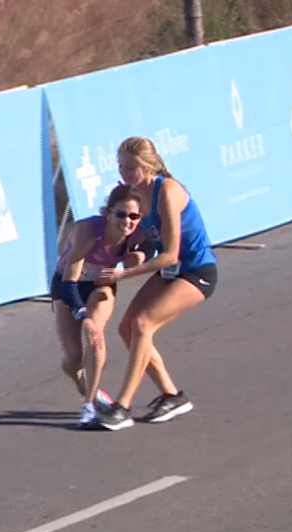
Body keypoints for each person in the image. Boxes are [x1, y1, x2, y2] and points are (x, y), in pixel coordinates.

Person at [92, 136, 218, 430]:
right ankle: (172, 395)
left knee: (143, 324)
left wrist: (124, 275)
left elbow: (171, 252)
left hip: (197, 271)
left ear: (147, 164)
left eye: (130, 167)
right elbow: (151, 240)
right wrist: (139, 252)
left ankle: (122, 405)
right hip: (172, 271)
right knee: (127, 327)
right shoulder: (136, 195)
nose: (124, 173)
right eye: (120, 167)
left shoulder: (167, 191)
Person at [52, 183, 147, 428]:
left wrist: (137, 257)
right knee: (73, 358)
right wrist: (80, 312)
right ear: (108, 213)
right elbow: (69, 283)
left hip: (100, 285)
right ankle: (90, 391)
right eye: (121, 215)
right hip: (68, 285)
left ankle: (89, 405)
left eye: (134, 216)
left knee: (94, 332)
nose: (127, 221)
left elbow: (150, 246)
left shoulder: (137, 231)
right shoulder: (87, 232)